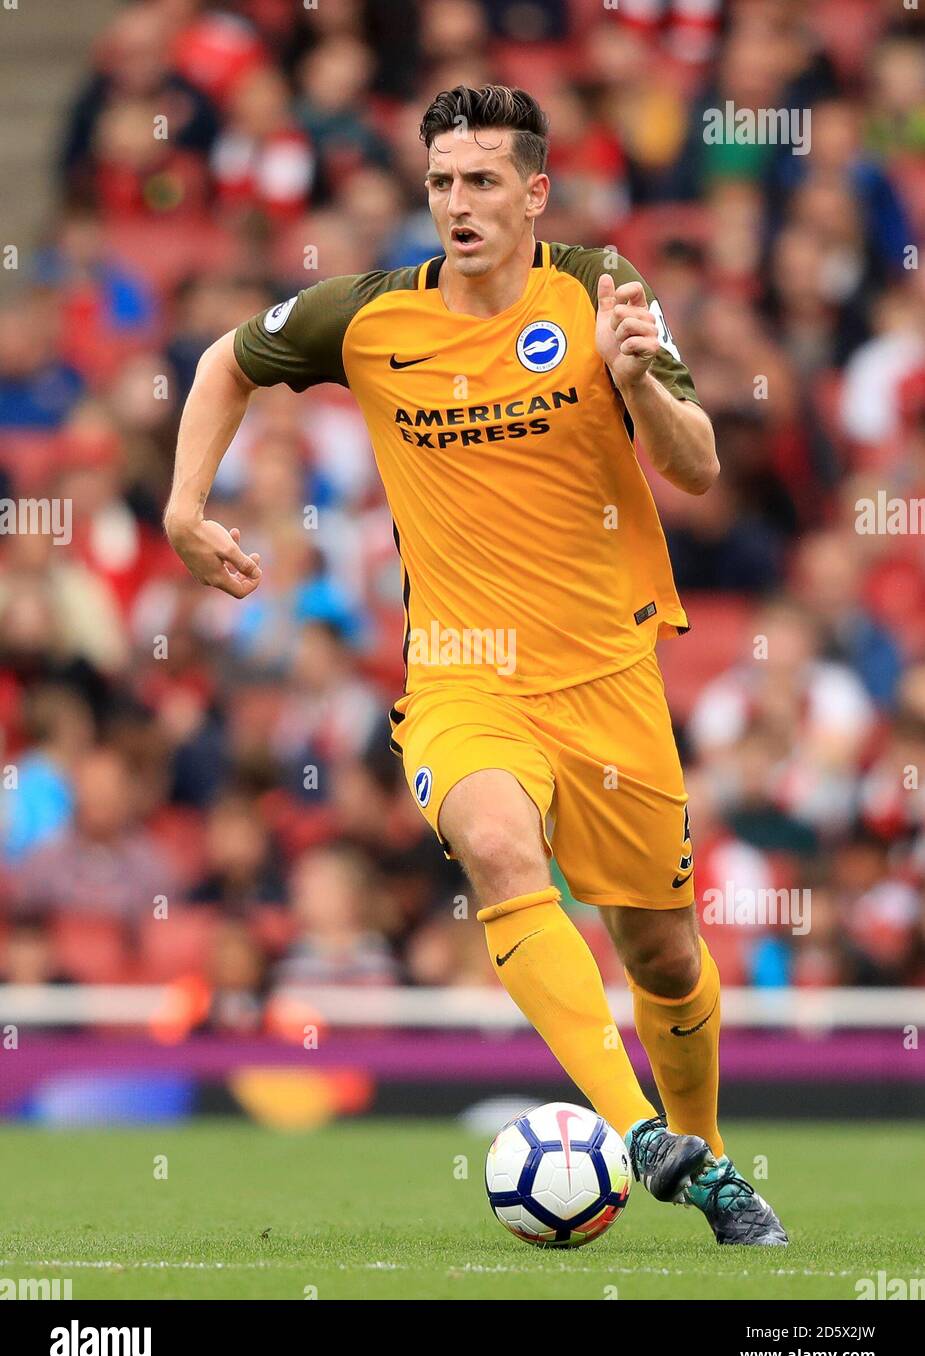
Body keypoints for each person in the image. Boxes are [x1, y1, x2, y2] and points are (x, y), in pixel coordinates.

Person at [164, 84, 786, 1245]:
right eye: (442, 181)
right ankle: (635, 1131)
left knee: (662, 950)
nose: (458, 202)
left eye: (483, 181)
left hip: (607, 676)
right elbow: (222, 362)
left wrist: (639, 375)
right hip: (459, 677)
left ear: (534, 192)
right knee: (499, 850)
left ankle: (708, 1158)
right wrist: (185, 508)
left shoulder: (603, 288)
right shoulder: (370, 316)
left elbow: (697, 471)